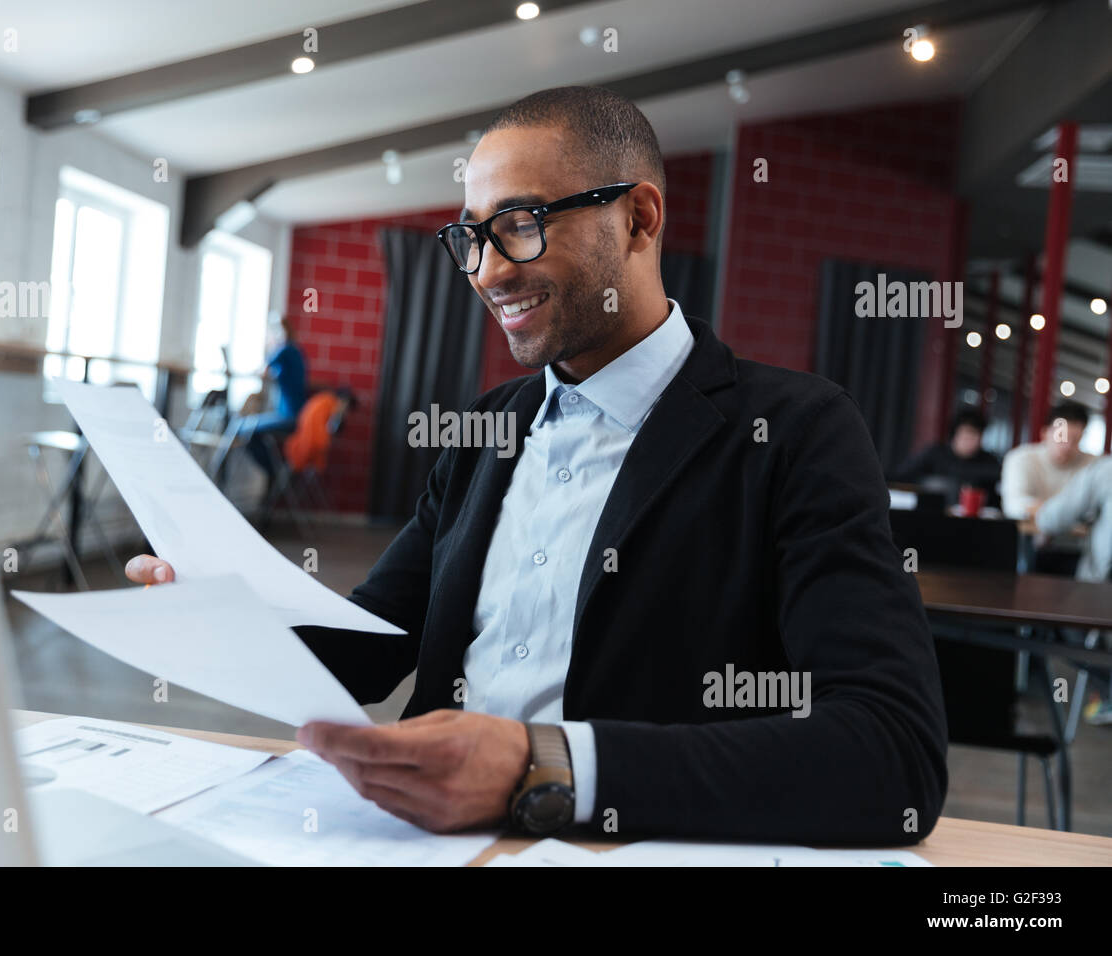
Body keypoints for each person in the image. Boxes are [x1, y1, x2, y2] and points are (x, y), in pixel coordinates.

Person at [128, 85, 947, 843]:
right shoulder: (488, 426)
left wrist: (544, 764)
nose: (487, 269)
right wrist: (226, 616)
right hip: (425, 846)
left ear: (638, 217)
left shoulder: (796, 430)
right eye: (472, 236)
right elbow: (372, 645)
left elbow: (892, 749)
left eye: (520, 222)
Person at [1035, 454, 1112, 723]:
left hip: (1102, 595)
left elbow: (1053, 518)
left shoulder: (1106, 470)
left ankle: (1107, 690)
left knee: (1062, 628)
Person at [239, 316, 307, 498]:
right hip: (293, 414)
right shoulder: (295, 351)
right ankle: (274, 471)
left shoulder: (284, 350)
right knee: (248, 428)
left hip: (288, 416)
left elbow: (262, 369)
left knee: (244, 428)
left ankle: (273, 471)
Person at [1000, 401, 1096, 520]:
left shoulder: (1093, 465)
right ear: (1044, 433)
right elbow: (1013, 504)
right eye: (1061, 437)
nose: (1067, 446)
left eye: (1075, 440)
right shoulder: (1020, 458)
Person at [893, 405, 1001, 501]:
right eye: (967, 435)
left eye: (976, 436)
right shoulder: (935, 454)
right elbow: (902, 475)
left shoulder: (989, 460)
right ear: (954, 435)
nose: (971, 441)